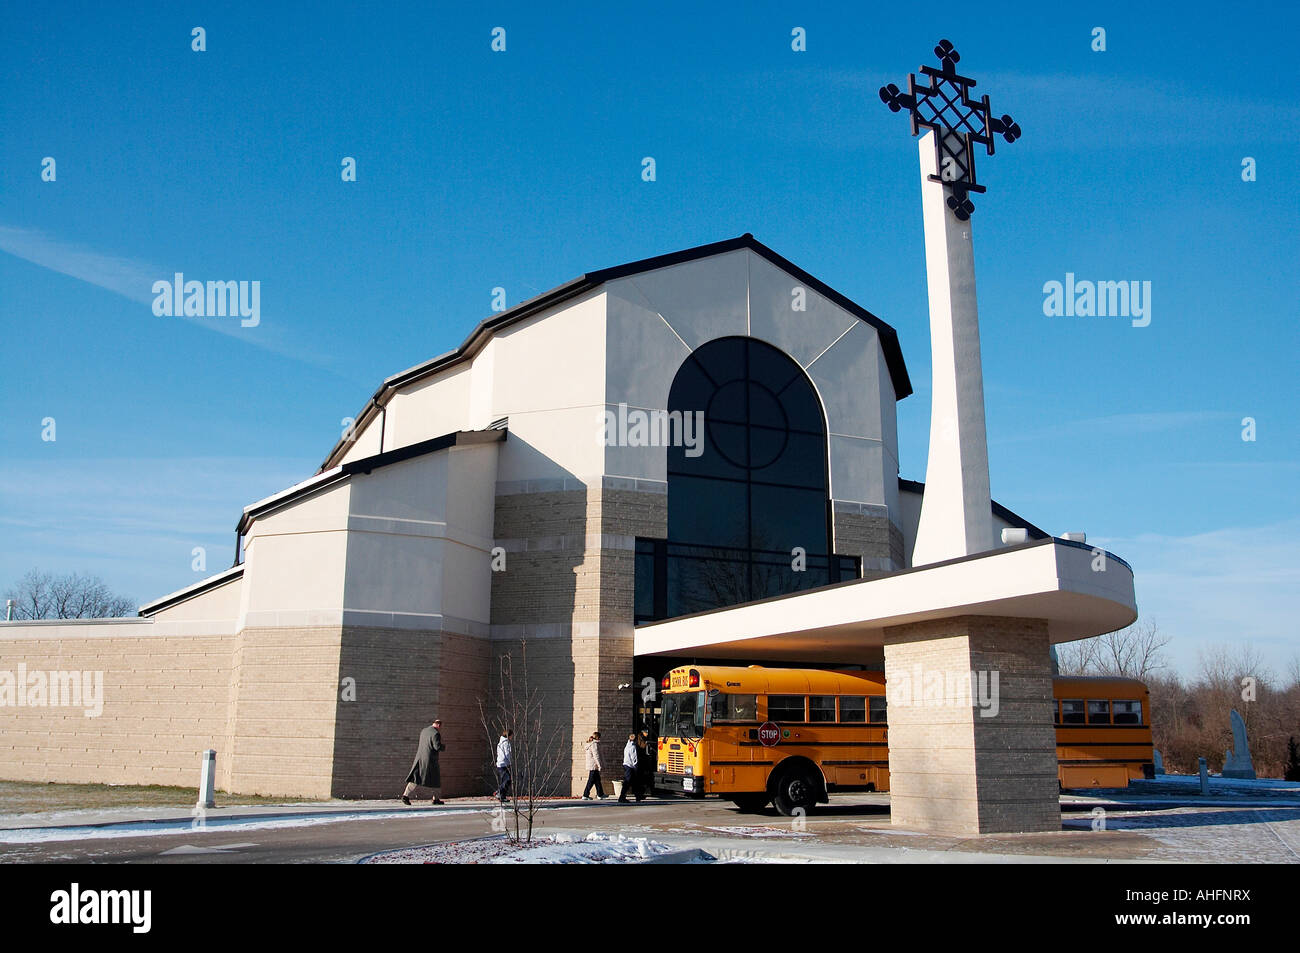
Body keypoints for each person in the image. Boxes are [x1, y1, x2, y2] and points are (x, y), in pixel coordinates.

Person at [402, 717, 446, 805]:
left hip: (420, 758)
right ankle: (435, 799)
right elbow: (437, 747)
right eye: (440, 727)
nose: (439, 729)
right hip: (430, 761)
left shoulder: (424, 731)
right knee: (435, 779)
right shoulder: (435, 733)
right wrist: (443, 746)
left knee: (415, 778)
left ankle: (405, 796)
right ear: (438, 725)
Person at [619, 732, 643, 803]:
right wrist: (636, 766)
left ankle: (637, 796)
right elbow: (634, 758)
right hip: (630, 766)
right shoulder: (633, 747)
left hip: (626, 764)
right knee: (629, 781)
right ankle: (622, 796)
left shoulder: (627, 746)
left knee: (633, 782)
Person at [582, 731, 605, 799]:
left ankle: (600, 794)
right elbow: (596, 756)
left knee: (597, 780)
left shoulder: (590, 744)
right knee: (591, 780)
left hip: (592, 764)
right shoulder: (594, 744)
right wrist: (599, 765)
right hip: (594, 765)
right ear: (597, 737)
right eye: (599, 737)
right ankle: (585, 795)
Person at [636, 727, 656, 799]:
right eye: (646, 732)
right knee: (642, 777)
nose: (647, 734)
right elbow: (643, 746)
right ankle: (640, 794)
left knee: (644, 777)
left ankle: (641, 793)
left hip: (644, 760)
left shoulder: (642, 738)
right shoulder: (641, 739)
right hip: (642, 760)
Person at [495, 729, 513, 802]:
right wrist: (509, 762)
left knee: (505, 780)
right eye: (512, 735)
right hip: (504, 764)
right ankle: (499, 793)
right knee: (507, 779)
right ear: (509, 735)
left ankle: (501, 795)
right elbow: (507, 754)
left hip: (500, 763)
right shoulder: (506, 743)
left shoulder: (500, 743)